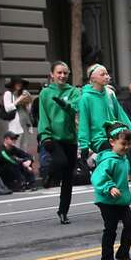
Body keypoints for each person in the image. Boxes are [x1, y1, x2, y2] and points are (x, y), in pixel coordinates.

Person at [38, 61, 82, 223]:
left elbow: (76, 108)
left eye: (65, 73)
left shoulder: (74, 91)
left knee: (68, 178)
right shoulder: (45, 93)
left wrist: (65, 104)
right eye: (59, 73)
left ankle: (63, 212)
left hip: (69, 138)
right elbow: (43, 115)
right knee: (60, 161)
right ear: (52, 74)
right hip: (53, 137)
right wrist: (45, 135)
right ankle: (49, 175)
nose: (62, 76)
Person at [91, 122, 131, 260]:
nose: (126, 147)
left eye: (129, 144)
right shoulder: (108, 160)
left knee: (130, 224)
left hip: (121, 200)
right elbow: (97, 177)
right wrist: (109, 187)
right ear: (112, 142)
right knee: (110, 228)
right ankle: (106, 258)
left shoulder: (123, 159)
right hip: (107, 200)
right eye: (123, 143)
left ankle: (123, 253)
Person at [78, 64, 131, 156]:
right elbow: (84, 123)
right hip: (99, 140)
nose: (107, 77)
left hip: (115, 136)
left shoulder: (110, 94)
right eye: (102, 74)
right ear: (93, 78)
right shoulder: (85, 98)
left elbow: (120, 115)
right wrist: (84, 145)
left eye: (107, 74)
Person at [2, 77, 35, 156]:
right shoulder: (8, 94)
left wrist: (28, 100)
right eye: (17, 83)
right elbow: (8, 108)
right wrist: (20, 99)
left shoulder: (22, 93)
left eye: (21, 83)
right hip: (15, 123)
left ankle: (24, 163)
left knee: (25, 146)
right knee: (16, 145)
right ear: (13, 84)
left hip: (25, 123)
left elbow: (28, 110)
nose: (19, 85)